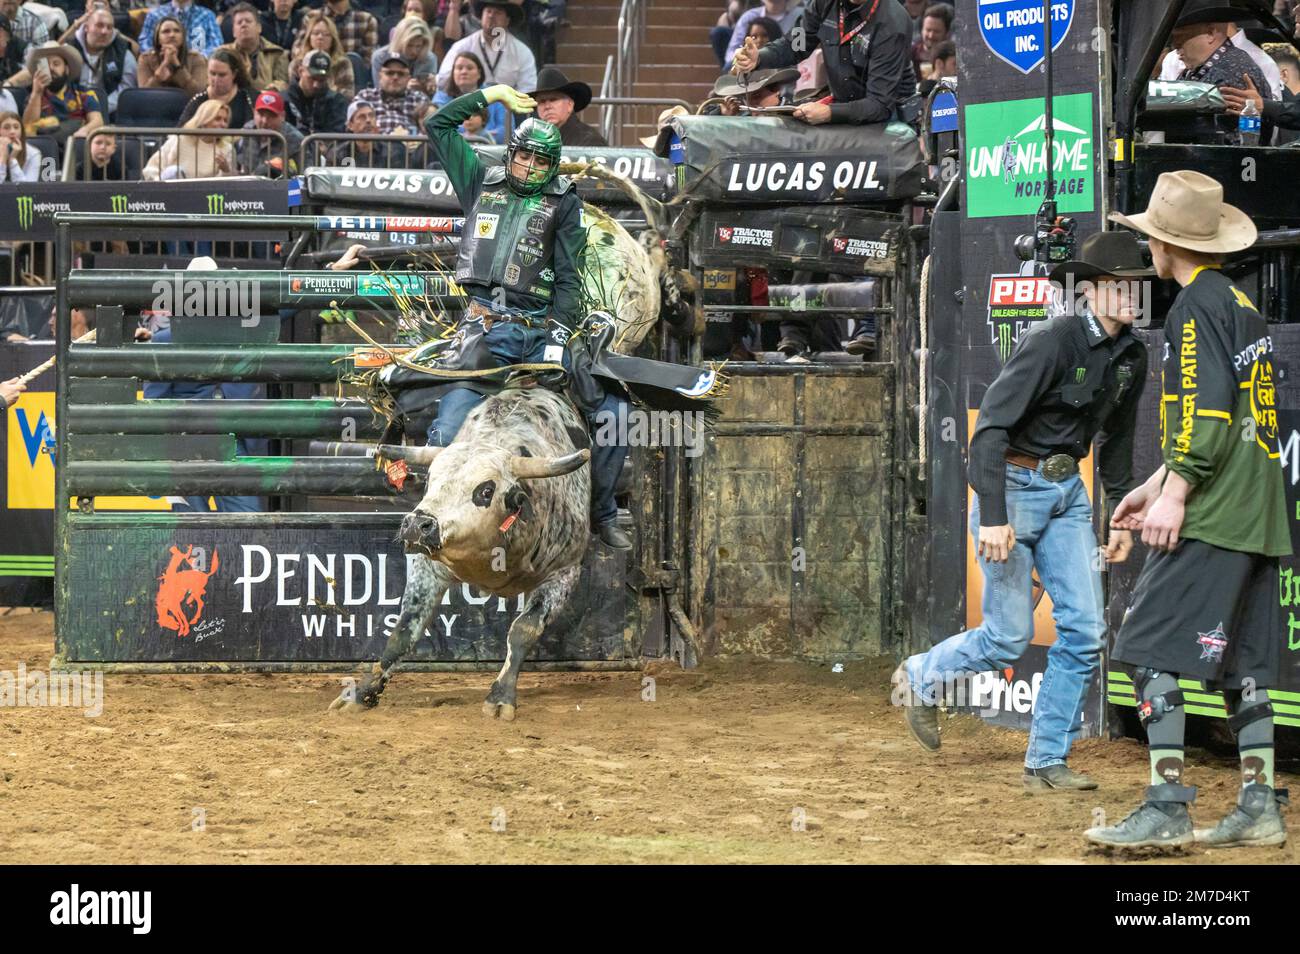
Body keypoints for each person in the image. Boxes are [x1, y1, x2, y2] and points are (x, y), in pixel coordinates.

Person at [894, 231, 1152, 790]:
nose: (1136, 295)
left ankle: (1046, 761)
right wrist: (992, 515)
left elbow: (1117, 439)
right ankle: (920, 677)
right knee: (1008, 638)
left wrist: (1121, 516)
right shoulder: (1053, 341)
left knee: (1085, 633)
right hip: (1011, 489)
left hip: (1068, 498)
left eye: (1141, 285)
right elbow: (988, 432)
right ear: (1093, 289)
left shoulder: (1133, 354)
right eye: (1125, 285)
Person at [1085, 172, 1291, 849]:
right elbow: (1236, 415)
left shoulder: (1194, 306)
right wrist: (1156, 481)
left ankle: (1167, 803)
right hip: (1259, 510)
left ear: (1163, 244)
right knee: (1248, 668)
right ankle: (1259, 806)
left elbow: (1204, 413)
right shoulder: (1240, 302)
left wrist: (1176, 493)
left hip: (1216, 507)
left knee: (1143, 646)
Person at [423, 82, 633, 550]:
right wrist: (492, 94)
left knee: (616, 411)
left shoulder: (564, 201)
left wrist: (559, 332)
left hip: (539, 329)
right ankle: (435, 520)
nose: (531, 167)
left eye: (542, 161)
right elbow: (437, 124)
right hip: (483, 330)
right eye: (525, 157)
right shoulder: (479, 180)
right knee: (443, 427)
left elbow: (569, 275)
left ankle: (601, 513)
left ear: (552, 164)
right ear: (511, 153)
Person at [731, 0, 917, 126]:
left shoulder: (893, 22)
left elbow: (879, 105)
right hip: (843, 103)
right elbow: (796, 43)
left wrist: (829, 113)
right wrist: (760, 57)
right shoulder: (824, 3)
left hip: (889, 119)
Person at [1160, 3, 1281, 101]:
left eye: (1180, 36)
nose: (1175, 45)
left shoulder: (1232, 71)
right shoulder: (1215, 66)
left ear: (1210, 33)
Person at [435, 1, 536, 94]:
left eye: (498, 12)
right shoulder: (462, 47)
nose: (491, 16)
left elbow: (528, 88)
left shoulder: (522, 52)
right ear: (481, 16)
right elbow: (443, 80)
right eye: (488, 11)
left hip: (507, 109)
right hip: (469, 106)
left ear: (507, 20)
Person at [23, 41, 102, 145]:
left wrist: (83, 131)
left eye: (56, 64)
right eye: (46, 65)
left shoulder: (84, 94)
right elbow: (28, 128)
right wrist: (36, 93)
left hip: (75, 146)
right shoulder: (33, 97)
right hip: (47, 153)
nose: (51, 68)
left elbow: (97, 121)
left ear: (67, 69)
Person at [65, 7, 134, 119]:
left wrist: (99, 108)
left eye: (109, 27)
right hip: (72, 112)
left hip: (110, 114)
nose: (104, 31)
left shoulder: (123, 53)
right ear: (86, 27)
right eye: (99, 25)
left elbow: (126, 89)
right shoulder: (69, 50)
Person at [143, 97, 233, 179]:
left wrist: (226, 170)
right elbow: (151, 168)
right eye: (217, 119)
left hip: (204, 194)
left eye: (225, 120)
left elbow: (225, 185)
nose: (223, 124)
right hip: (171, 191)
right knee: (173, 171)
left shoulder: (226, 148)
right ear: (204, 120)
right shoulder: (180, 139)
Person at [434, 49, 505, 142]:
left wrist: (461, 132)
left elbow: (504, 132)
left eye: (469, 68)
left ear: (479, 73)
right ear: (453, 72)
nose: (464, 72)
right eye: (459, 68)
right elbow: (439, 129)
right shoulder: (441, 98)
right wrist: (481, 133)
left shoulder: (496, 96)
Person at [178, 48, 255, 130]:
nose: (216, 79)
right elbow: (180, 133)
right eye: (212, 73)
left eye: (222, 75)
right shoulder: (198, 100)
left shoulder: (248, 98)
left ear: (234, 74)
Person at [218, 2, 288, 93]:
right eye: (239, 22)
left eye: (248, 21)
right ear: (234, 32)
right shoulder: (223, 54)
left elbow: (282, 83)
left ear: (259, 28)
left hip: (266, 102)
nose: (244, 25)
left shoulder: (277, 53)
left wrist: (265, 93)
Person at [528, 65, 604, 146]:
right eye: (542, 101)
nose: (547, 106)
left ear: (570, 105)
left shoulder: (590, 141)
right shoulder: (533, 142)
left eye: (553, 100)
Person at [355, 54, 428, 132]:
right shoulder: (365, 96)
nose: (395, 77)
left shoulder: (419, 99)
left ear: (408, 78)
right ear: (380, 76)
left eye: (401, 74)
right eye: (389, 73)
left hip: (410, 143)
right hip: (375, 143)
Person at [137, 15, 207, 97]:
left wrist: (177, 65)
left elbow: (198, 93)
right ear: (158, 38)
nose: (172, 35)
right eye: (166, 31)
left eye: (177, 31)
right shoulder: (145, 59)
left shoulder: (196, 58)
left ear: (183, 36)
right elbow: (143, 95)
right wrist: (160, 73)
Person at [290, 9, 355, 98]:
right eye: (316, 33)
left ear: (333, 39)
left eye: (326, 34)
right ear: (309, 38)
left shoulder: (343, 63)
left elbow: (347, 96)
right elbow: (294, 93)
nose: (320, 37)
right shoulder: (297, 63)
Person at [723, 0, 803, 71]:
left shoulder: (801, 15)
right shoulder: (749, 17)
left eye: (765, 35)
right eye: (754, 37)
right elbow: (732, 50)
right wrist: (741, 57)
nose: (760, 40)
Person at [238, 87, 301, 176]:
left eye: (271, 116)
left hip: (282, 187)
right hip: (250, 187)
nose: (264, 121)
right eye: (261, 114)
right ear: (254, 112)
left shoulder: (295, 139)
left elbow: (303, 179)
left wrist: (286, 172)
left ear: (282, 116)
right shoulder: (247, 130)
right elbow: (242, 169)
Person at [371, 14, 437, 93]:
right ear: (399, 42)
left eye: (418, 46)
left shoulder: (429, 59)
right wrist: (404, 88)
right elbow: (379, 92)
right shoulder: (380, 57)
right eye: (409, 45)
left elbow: (430, 96)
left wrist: (431, 88)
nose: (414, 51)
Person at [286, 50, 347, 136]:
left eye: (322, 80)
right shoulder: (285, 100)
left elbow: (337, 136)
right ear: (301, 71)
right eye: (312, 78)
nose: (316, 85)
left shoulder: (336, 101)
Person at [139, 0, 223, 57]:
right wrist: (162, 55)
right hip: (161, 65)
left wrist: (195, 58)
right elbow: (144, 44)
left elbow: (216, 46)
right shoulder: (154, 15)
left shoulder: (207, 15)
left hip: (197, 69)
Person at [67, 128, 142, 179]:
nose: (103, 147)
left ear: (114, 149)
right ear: (89, 145)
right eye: (98, 143)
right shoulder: (79, 169)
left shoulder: (121, 169)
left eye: (108, 144)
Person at [912, 2, 951, 80]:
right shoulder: (910, 54)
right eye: (928, 30)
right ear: (921, 30)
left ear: (946, 33)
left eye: (936, 31)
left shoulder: (952, 56)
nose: (931, 36)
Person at [0, 108, 39, 179]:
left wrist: (12, 160)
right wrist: (2, 159)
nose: (12, 131)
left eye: (16, 127)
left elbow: (27, 189)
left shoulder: (33, 153)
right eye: (6, 127)